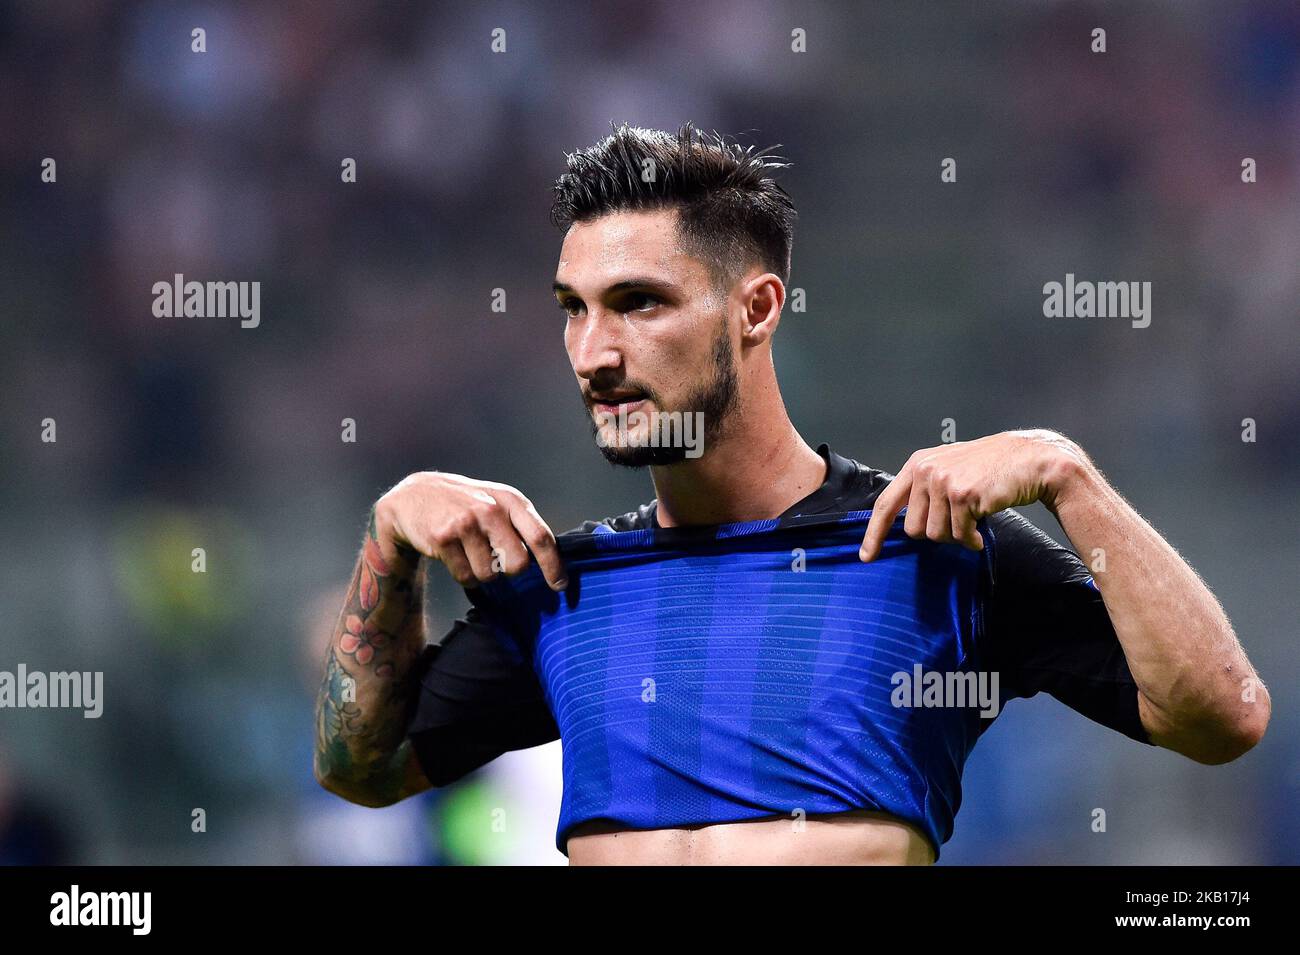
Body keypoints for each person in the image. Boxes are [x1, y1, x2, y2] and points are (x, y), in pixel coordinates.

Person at [313, 123, 1270, 865]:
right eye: (575, 309)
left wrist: (1069, 474)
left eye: (639, 303)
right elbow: (362, 770)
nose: (594, 355)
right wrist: (388, 538)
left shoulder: (929, 548)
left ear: (758, 309)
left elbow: (1222, 714)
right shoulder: (566, 588)